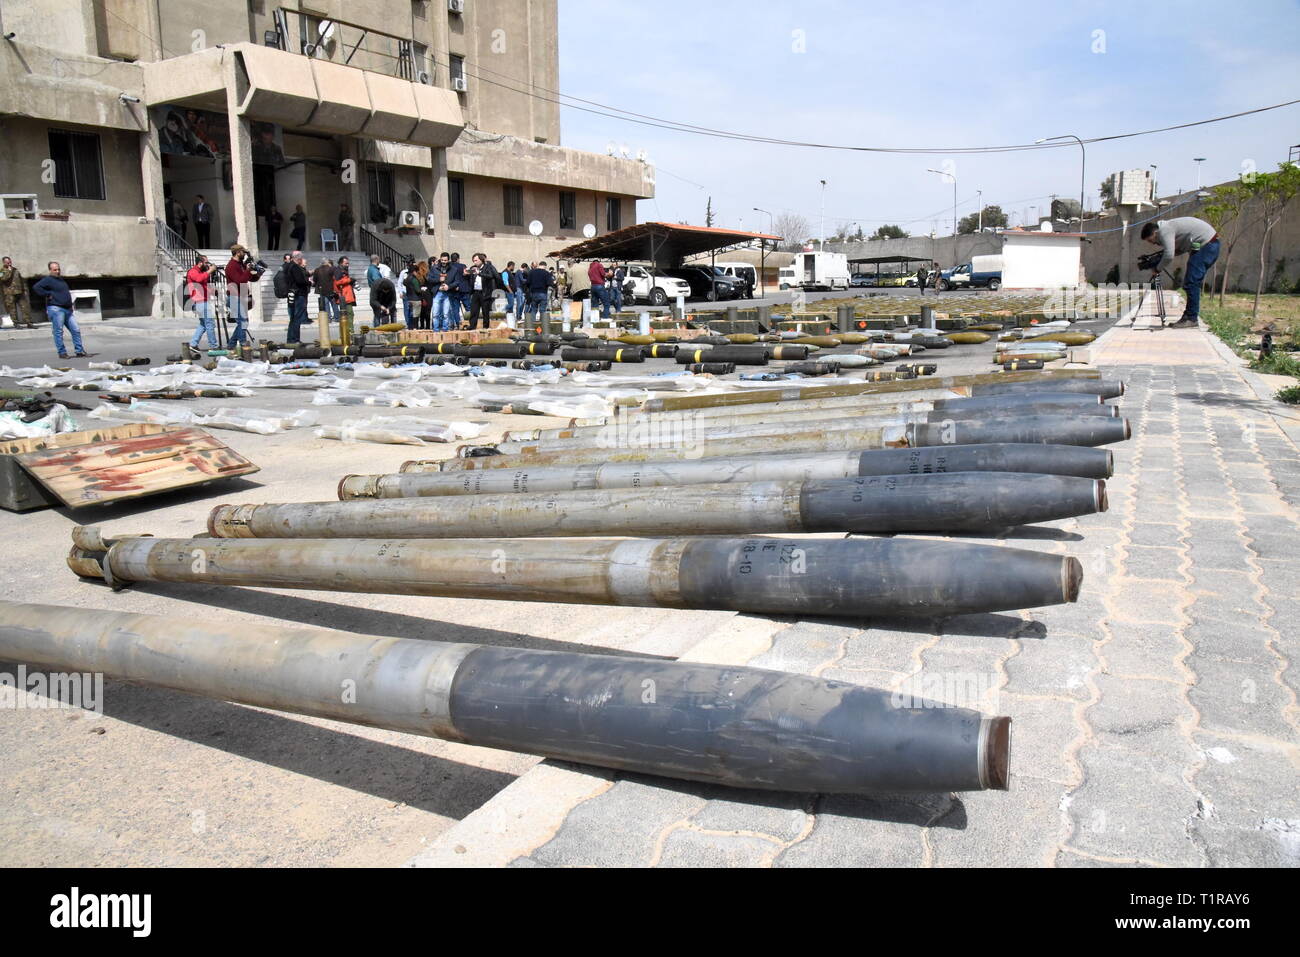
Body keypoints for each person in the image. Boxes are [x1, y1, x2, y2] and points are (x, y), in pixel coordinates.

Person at [1140, 217, 1220, 327]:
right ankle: (1189, 317)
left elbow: (1169, 255)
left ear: (1155, 233)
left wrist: (1157, 268)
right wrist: (1158, 258)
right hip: (1207, 245)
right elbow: (1178, 250)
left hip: (1206, 246)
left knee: (1191, 282)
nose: (1153, 243)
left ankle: (1191, 318)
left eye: (1150, 240)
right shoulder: (1167, 228)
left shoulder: (1164, 231)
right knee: (1191, 282)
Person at [32, 262, 86, 358]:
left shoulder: (60, 280)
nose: (57, 271)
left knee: (76, 329)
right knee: (58, 331)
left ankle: (79, 351)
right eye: (55, 270)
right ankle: (62, 353)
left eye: (58, 269)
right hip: (56, 308)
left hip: (67, 309)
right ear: (50, 270)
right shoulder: (48, 280)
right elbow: (36, 287)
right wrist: (48, 294)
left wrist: (70, 306)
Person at [224, 245, 264, 349]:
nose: (244, 254)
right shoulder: (231, 266)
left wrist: (257, 275)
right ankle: (242, 343)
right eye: (243, 252)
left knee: (243, 322)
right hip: (234, 296)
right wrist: (248, 269)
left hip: (241, 296)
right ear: (237, 253)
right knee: (243, 322)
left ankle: (231, 344)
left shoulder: (239, 264)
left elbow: (248, 278)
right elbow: (239, 280)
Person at [185, 254, 219, 350]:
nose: (207, 264)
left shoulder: (201, 272)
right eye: (206, 262)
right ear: (200, 263)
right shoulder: (193, 271)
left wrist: (212, 291)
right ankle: (214, 346)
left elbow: (202, 286)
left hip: (202, 300)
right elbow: (199, 279)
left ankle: (193, 344)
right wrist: (210, 271)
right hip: (199, 302)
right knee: (209, 324)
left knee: (203, 324)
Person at [464, 252, 498, 331]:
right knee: (474, 310)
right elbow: (470, 278)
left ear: (481, 260)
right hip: (476, 292)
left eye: (476, 260)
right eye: (473, 261)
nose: (474, 262)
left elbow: (491, 276)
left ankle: (485, 327)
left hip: (485, 292)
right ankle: (472, 326)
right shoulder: (473, 268)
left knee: (485, 311)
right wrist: (466, 273)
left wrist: (480, 273)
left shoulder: (488, 267)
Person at [1, 256, 34, 328]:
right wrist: (9, 271)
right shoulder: (1, 271)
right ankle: (16, 323)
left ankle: (29, 322)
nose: (9, 263)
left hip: (19, 292)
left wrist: (24, 290)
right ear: (4, 262)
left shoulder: (15, 270)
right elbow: (4, 279)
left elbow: (21, 280)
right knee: (12, 310)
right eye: (7, 262)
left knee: (25, 308)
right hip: (9, 294)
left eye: (10, 262)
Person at [286, 250, 311, 344]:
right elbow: (300, 281)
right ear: (299, 259)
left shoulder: (289, 266)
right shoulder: (295, 267)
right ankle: (294, 339)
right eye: (301, 259)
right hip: (298, 294)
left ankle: (290, 339)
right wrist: (309, 282)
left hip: (292, 294)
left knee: (293, 318)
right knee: (297, 318)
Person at [524, 260, 554, 326]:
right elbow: (550, 283)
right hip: (543, 293)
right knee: (542, 310)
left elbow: (527, 283)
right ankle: (542, 326)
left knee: (533, 309)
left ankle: (532, 326)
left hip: (533, 293)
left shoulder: (532, 272)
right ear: (545, 266)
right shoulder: (546, 273)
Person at [429, 252, 452, 332]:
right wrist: (438, 280)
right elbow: (429, 279)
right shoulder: (434, 268)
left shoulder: (453, 269)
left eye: (445, 260)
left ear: (448, 260)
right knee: (435, 313)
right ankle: (436, 329)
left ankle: (445, 329)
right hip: (437, 292)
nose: (443, 262)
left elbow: (456, 281)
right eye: (442, 260)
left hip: (447, 293)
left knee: (446, 314)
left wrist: (449, 286)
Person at [333, 256, 356, 335]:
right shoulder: (338, 271)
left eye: (348, 263)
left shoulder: (343, 270)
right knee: (348, 314)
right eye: (346, 263)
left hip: (347, 295)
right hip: (344, 296)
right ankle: (349, 331)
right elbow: (337, 282)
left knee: (348, 314)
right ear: (341, 263)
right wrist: (349, 280)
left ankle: (348, 331)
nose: (347, 265)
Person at [446, 252, 469, 329]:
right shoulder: (463, 266)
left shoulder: (449, 267)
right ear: (458, 259)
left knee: (455, 309)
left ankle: (458, 324)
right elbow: (467, 276)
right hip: (463, 289)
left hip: (453, 290)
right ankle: (470, 322)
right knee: (468, 307)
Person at [313, 257, 337, 326]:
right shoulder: (331, 268)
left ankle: (328, 318)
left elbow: (315, 279)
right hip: (331, 289)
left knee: (326, 304)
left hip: (322, 290)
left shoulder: (317, 270)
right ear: (327, 262)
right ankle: (337, 317)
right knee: (334, 303)